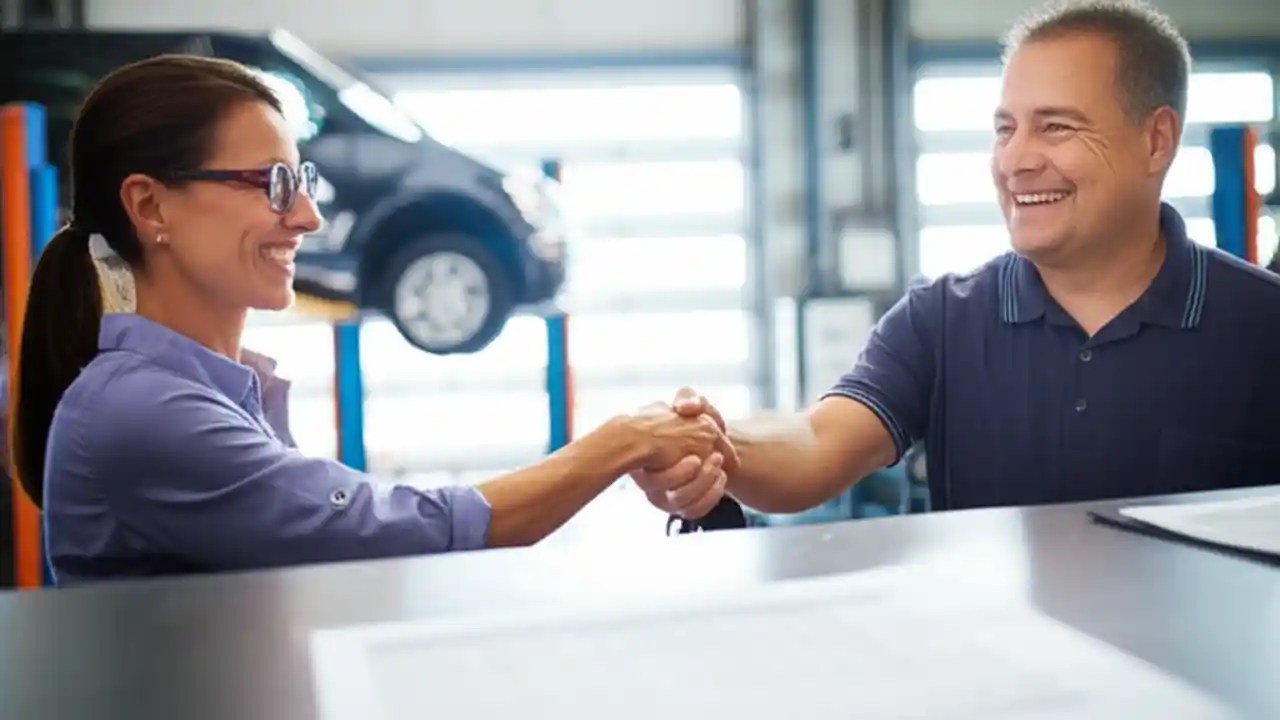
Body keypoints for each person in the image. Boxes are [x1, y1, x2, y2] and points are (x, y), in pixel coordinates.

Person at [12, 55, 733, 585]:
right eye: (272, 184)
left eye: (303, 181)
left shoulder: (212, 395)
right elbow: (396, 534)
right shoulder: (142, 411)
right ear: (150, 207)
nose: (307, 216)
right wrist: (624, 442)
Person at [637, 0, 1280, 521]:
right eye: (1005, 129)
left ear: (1156, 140)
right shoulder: (942, 319)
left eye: (1055, 127)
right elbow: (819, 444)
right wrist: (712, 446)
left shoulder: (1262, 325)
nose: (1015, 160)